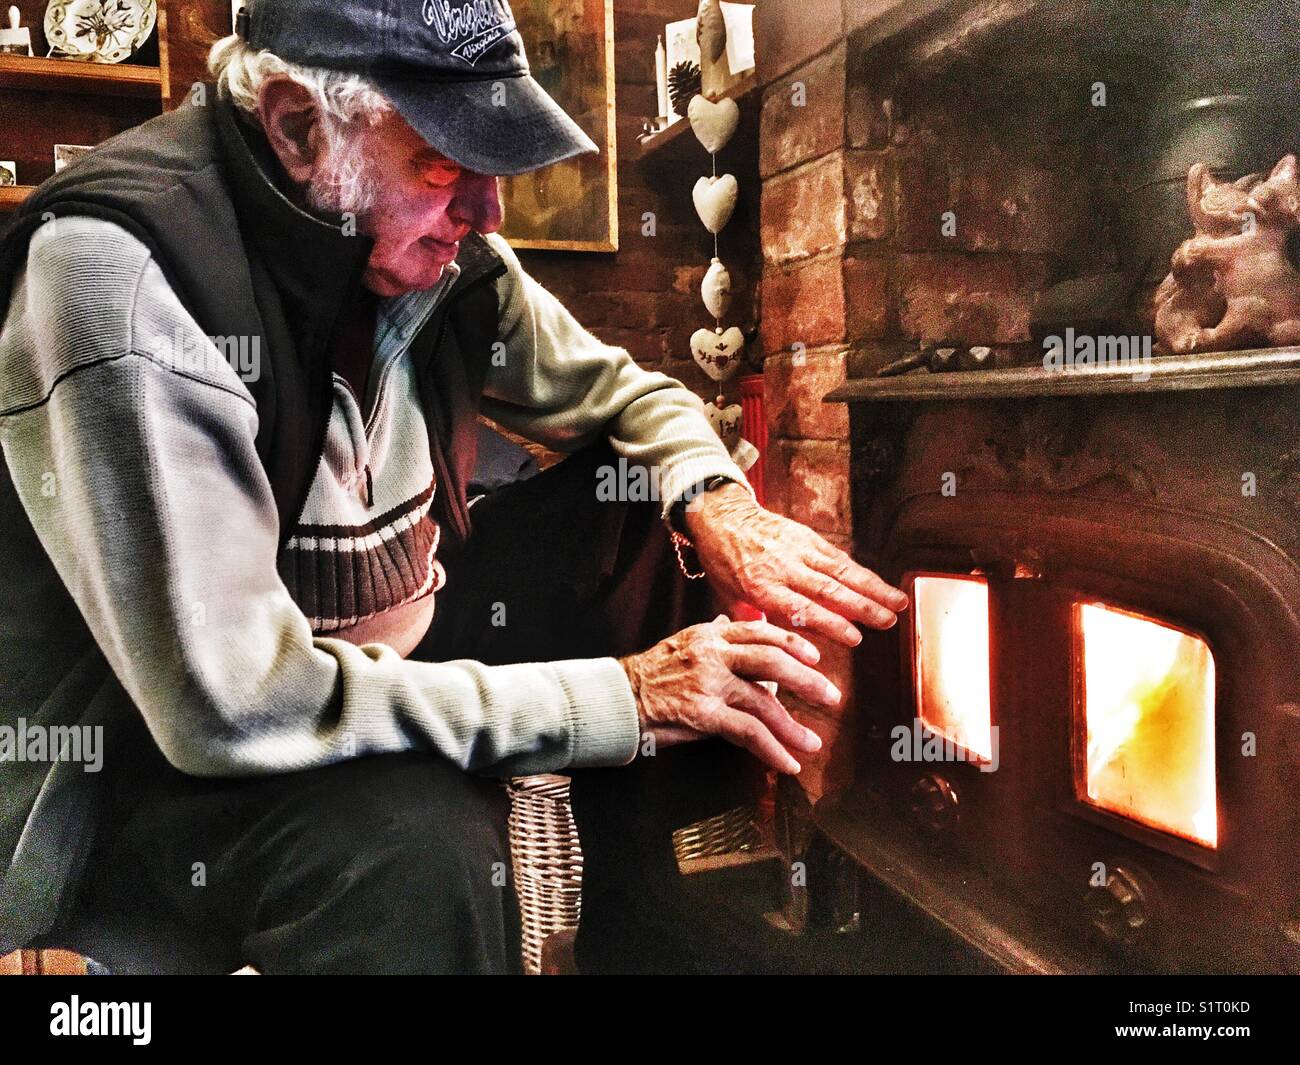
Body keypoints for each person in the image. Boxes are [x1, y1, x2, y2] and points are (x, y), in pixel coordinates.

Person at [0, 0, 906, 973]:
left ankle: (632, 918)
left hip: (400, 638)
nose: (487, 213)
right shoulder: (125, 276)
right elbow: (232, 704)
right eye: (446, 168)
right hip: (161, 747)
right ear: (299, 124)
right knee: (419, 848)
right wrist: (622, 697)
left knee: (647, 508)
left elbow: (627, 395)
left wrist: (717, 502)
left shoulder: (450, 262)